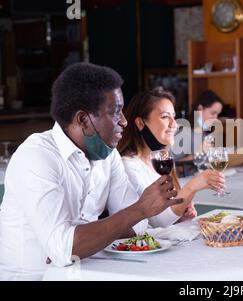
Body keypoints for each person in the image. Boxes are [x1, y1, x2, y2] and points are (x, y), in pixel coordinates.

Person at [0, 63, 181, 280]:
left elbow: (139, 227)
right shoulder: (36, 156)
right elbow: (66, 250)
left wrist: (81, 239)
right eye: (115, 112)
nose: (124, 121)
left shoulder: (108, 155)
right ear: (83, 120)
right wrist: (139, 209)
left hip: (85, 272)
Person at [118, 87, 225, 227]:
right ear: (140, 123)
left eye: (173, 117)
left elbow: (166, 214)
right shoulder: (130, 166)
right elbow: (159, 221)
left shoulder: (161, 162)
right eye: (164, 117)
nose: (174, 124)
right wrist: (192, 187)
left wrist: (182, 211)